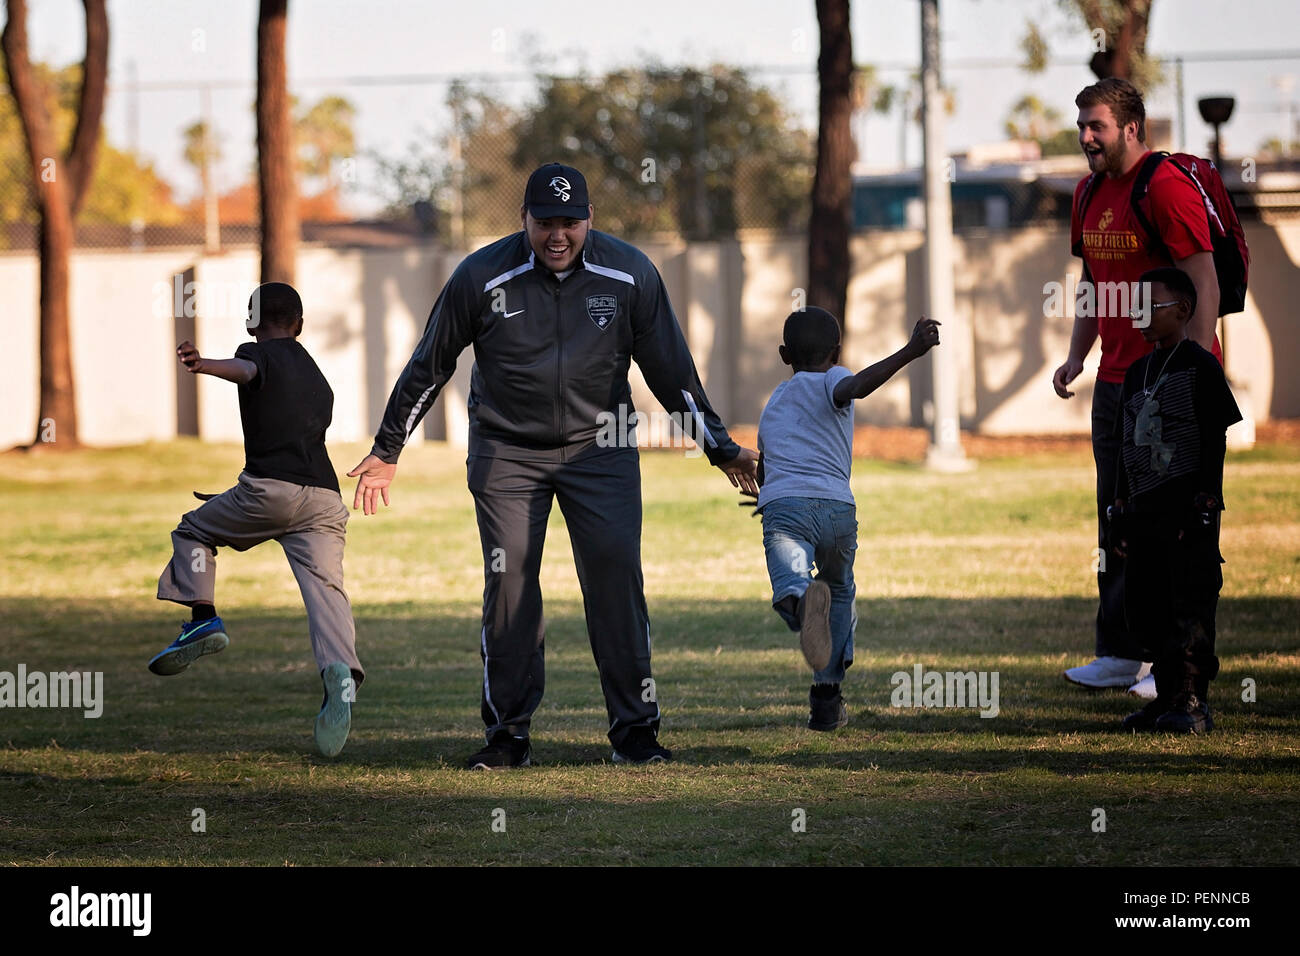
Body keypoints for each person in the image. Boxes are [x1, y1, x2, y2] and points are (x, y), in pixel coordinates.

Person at [348, 163, 759, 769]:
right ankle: (508, 736)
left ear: (590, 219)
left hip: (603, 450)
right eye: (545, 223)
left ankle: (635, 733)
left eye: (570, 222)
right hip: (506, 451)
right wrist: (387, 450)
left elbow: (672, 371)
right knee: (511, 584)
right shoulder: (481, 275)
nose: (558, 236)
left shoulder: (629, 274)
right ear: (525, 221)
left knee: (617, 582)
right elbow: (430, 363)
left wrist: (719, 447)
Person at [1054, 77, 1223, 698]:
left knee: (1173, 528)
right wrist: (1077, 356)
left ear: (1131, 128)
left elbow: (1203, 282)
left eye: (1095, 126)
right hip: (1116, 385)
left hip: (1168, 385)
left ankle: (1169, 665)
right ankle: (1121, 655)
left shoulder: (1165, 187)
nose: (1085, 138)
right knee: (1117, 522)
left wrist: (1192, 374)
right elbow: (1094, 285)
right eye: (1081, 127)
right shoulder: (1087, 193)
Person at [151, 282, 363, 758]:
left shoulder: (256, 351)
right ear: (300, 325)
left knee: (193, 530)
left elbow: (247, 370)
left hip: (270, 491)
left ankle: (202, 620)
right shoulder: (317, 376)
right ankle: (340, 672)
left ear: (251, 321)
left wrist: (203, 365)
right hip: (324, 500)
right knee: (327, 592)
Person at [745, 307, 940, 730]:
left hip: (784, 506)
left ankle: (798, 603)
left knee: (792, 576)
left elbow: (765, 463)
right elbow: (856, 386)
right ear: (836, 352)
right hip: (837, 510)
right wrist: (910, 351)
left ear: (784, 355)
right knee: (838, 589)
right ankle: (827, 698)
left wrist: (764, 491)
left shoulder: (775, 400)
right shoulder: (834, 378)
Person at [1108, 268, 1240, 733]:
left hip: (1186, 511)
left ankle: (1192, 701)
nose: (1139, 316)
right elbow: (1127, 443)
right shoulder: (1137, 371)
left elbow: (1213, 439)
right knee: (1147, 603)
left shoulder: (1200, 366)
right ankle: (1165, 695)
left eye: (1151, 307)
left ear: (1183, 310)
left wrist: (1205, 501)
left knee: (1189, 601)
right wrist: (1121, 506)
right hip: (1145, 512)